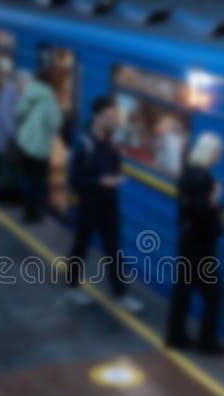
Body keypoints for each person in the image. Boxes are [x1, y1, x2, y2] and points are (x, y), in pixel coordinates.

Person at [65, 97, 144, 314]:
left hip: (109, 205)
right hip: (89, 204)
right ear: (98, 116)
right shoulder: (84, 143)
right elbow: (74, 179)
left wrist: (117, 174)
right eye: (111, 116)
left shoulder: (112, 143)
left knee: (114, 250)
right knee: (81, 246)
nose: (114, 120)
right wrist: (100, 181)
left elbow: (116, 169)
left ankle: (121, 293)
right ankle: (71, 285)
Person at [166, 133, 224, 356]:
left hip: (187, 241)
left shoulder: (187, 173)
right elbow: (202, 211)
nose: (220, 155)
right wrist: (215, 199)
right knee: (214, 295)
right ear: (211, 152)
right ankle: (207, 341)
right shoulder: (205, 179)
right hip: (202, 245)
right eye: (219, 151)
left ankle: (175, 335)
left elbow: (187, 208)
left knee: (183, 291)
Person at [15, 68, 63, 223]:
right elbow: (53, 122)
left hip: (24, 142)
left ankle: (27, 210)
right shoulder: (49, 97)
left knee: (28, 178)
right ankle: (33, 214)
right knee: (38, 181)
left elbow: (18, 111)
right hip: (39, 147)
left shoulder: (29, 91)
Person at [0, 68, 30, 202]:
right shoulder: (9, 93)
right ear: (19, 82)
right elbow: (5, 117)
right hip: (5, 140)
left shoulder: (18, 94)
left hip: (12, 141)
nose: (25, 88)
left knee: (11, 168)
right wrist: (16, 133)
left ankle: (10, 194)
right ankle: (2, 195)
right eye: (24, 84)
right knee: (5, 168)